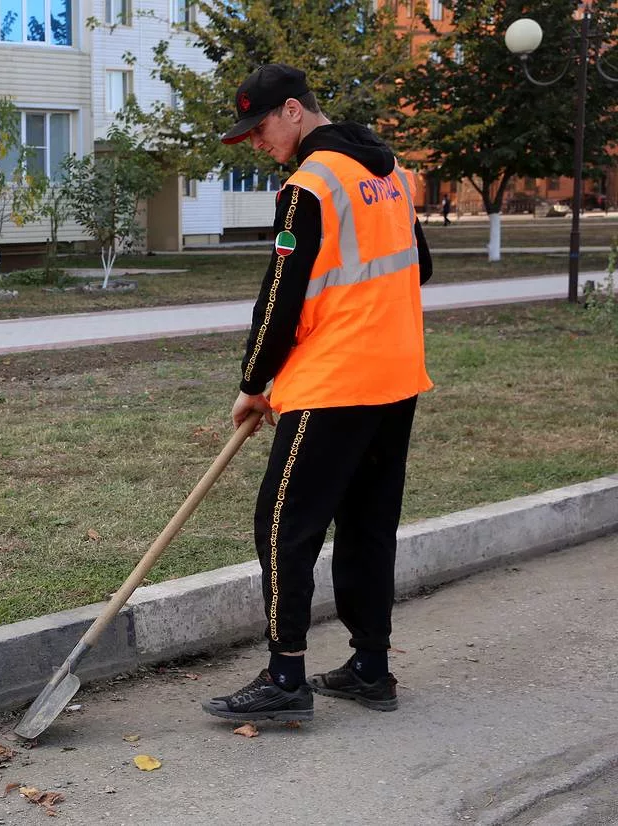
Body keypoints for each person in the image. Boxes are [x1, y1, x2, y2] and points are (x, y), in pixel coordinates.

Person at [201, 64, 433, 724]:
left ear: (294, 113)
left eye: (260, 126)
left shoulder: (309, 186)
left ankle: (284, 679)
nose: (255, 141)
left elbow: (279, 299)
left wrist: (252, 384)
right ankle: (370, 667)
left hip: (336, 383)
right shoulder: (390, 173)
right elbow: (422, 266)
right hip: (396, 378)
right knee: (367, 524)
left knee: (281, 524)